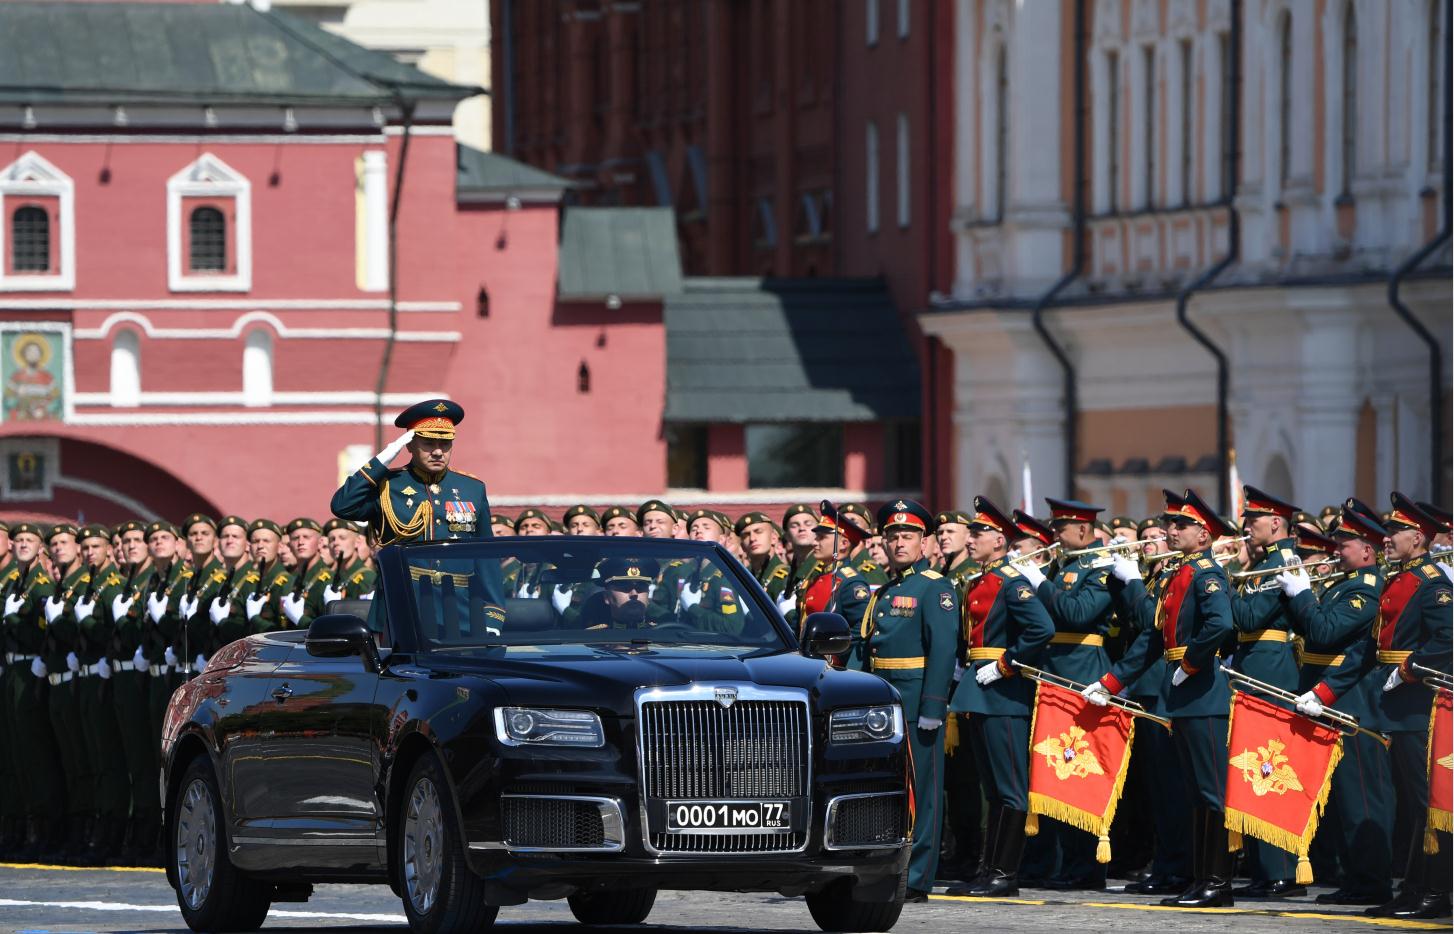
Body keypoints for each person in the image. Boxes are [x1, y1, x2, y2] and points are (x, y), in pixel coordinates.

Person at [1084, 488, 1236, 908]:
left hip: (1202, 691)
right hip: (1181, 692)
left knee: (1209, 791)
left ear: (1204, 535)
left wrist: (1190, 665)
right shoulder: (1177, 575)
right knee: (1192, 792)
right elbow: (1152, 640)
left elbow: (1221, 624)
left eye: (1181, 524)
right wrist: (1111, 683)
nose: (1172, 530)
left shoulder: (1206, 573)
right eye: (1170, 523)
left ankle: (1216, 882)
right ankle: (1199, 877)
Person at [1276, 498, 1392, 907]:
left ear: (1368, 549)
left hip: (1353, 702)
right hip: (1329, 700)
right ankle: (1354, 875)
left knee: (1362, 793)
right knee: (1344, 796)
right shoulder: (1343, 584)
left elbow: (1324, 633)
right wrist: (1293, 597)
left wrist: (1303, 595)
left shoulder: (1366, 589)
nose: (1337, 548)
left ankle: (1372, 879)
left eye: (1345, 542)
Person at [944, 497, 1054, 898]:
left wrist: (1007, 663)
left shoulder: (1011, 580)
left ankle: (1004, 873)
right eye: (970, 532)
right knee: (992, 788)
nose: (970, 539)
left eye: (978, 532)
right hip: (980, 689)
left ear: (1000, 539)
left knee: (1008, 787)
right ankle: (987, 869)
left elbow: (1041, 629)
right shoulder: (981, 579)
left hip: (1003, 692)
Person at [849, 499, 958, 903]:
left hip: (915, 705)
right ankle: (880, 866)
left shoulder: (935, 586)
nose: (899, 543)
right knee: (883, 788)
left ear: (925, 542)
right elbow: (867, 647)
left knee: (922, 793)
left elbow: (944, 649)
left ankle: (916, 876)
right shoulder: (888, 588)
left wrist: (933, 706)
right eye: (892, 536)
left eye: (908, 536)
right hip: (881, 705)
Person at [1358, 494, 1452, 919]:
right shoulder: (1402, 576)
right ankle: (1415, 888)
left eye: (1394, 531)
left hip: (1422, 703)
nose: (1386, 538)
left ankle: (1435, 891)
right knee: (1412, 802)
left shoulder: (1432, 581)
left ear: (1418, 537)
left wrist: (1411, 669)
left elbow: (1448, 638)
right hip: (1398, 703)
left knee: (1427, 801)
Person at [1022, 499, 1117, 891]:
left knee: (1080, 773)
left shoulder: (1098, 568)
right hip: (1057, 675)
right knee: (1056, 772)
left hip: (1083, 674)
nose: (1054, 534)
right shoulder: (1064, 566)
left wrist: (1040, 584)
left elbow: (1078, 615)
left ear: (1083, 530)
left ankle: (1086, 866)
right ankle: (1063, 862)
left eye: (1061, 527)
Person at [1229, 485, 1306, 898]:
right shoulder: (1264, 563)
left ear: (1275, 522)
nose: (1245, 527)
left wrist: (1221, 576)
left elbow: (1249, 616)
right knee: (1253, 771)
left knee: (1271, 772)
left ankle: (1281, 871)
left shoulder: (1283, 564)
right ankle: (1264, 868)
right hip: (1253, 672)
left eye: (1252, 520)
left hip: (1270, 675)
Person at [331, 399, 494, 544]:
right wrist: (382, 460)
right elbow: (342, 506)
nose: (438, 452)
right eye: (428, 443)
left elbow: (486, 554)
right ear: (409, 445)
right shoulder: (388, 485)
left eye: (445, 443)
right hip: (405, 578)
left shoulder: (472, 488)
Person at [2, 522, 66, 860]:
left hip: (31, 670)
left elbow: (52, 631)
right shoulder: (18, 582)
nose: (23, 544)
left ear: (40, 548)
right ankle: (28, 827)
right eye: (18, 540)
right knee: (19, 755)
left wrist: (43, 657)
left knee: (35, 754)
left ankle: (47, 829)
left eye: (29, 540)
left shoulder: (39, 585)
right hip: (14, 670)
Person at [40, 523, 92, 863]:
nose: (59, 548)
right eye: (54, 544)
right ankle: (78, 830)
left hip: (83, 681)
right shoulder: (63, 585)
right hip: (60, 680)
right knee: (70, 762)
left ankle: (98, 831)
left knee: (90, 761)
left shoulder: (86, 586)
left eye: (65, 542)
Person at [792, 506, 871, 664]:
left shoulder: (851, 582)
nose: (815, 542)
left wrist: (833, 649)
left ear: (843, 543)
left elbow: (861, 629)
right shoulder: (816, 578)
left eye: (821, 537)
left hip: (834, 666)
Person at [581, 557, 660, 630]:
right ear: (607, 597)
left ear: (648, 595)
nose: (634, 594)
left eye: (641, 587)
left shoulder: (664, 635)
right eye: (625, 587)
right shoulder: (592, 639)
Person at [735, 512, 791, 602]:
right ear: (742, 546)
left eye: (758, 532)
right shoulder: (742, 577)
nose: (752, 538)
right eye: (746, 535)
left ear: (773, 538)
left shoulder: (785, 578)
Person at [323, 519, 376, 600]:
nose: (336, 543)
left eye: (342, 538)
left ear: (357, 541)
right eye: (331, 539)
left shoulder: (366, 579)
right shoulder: (335, 577)